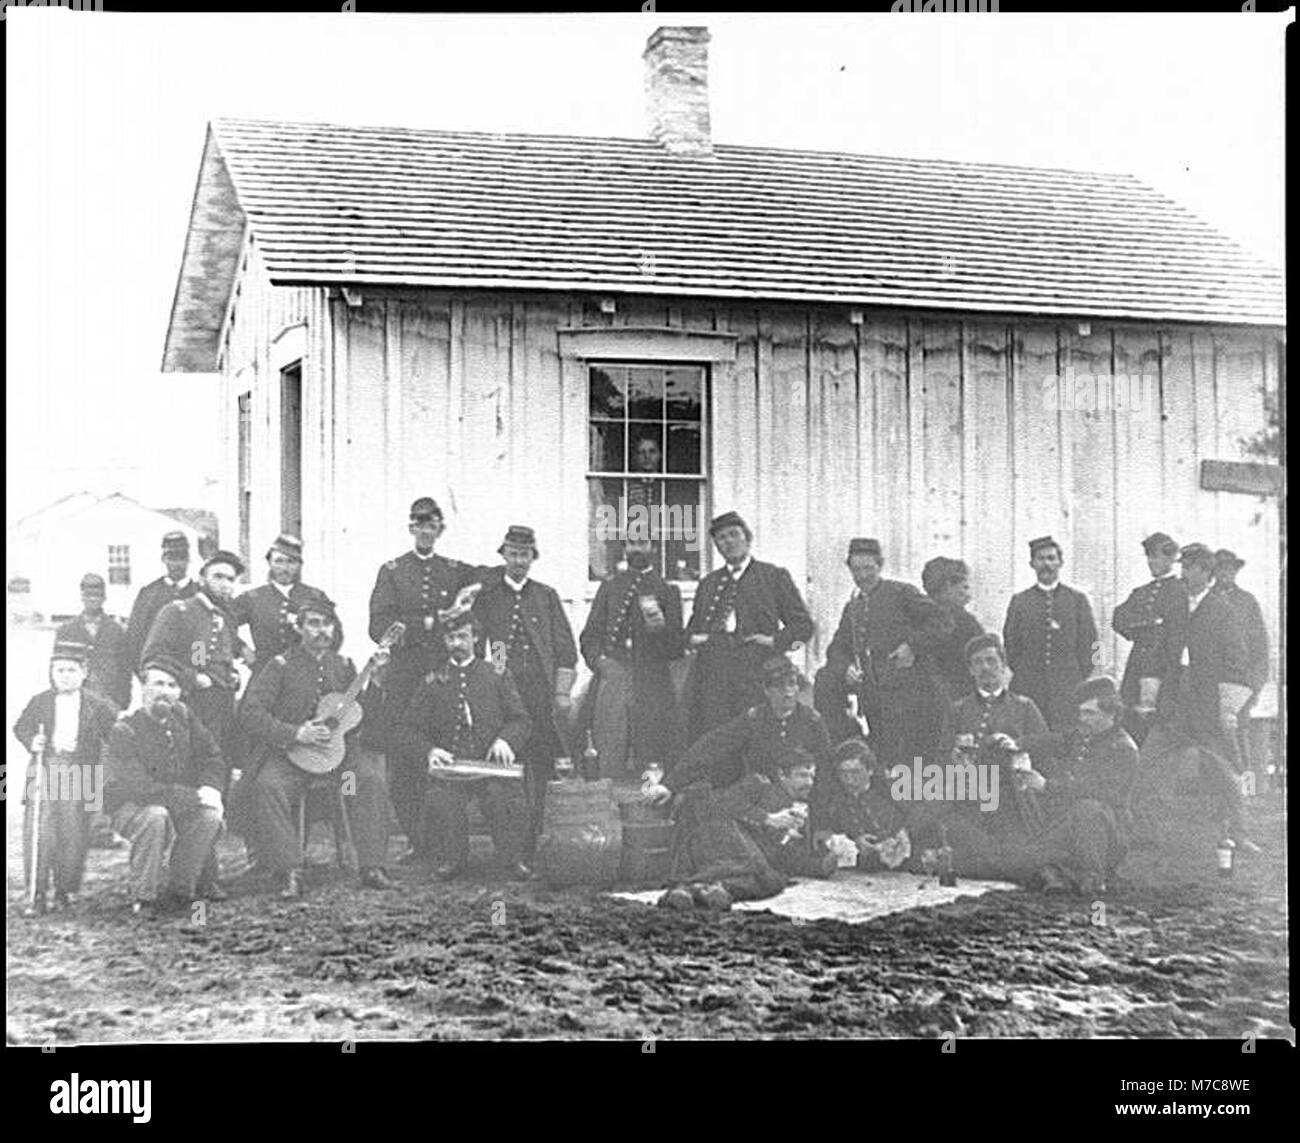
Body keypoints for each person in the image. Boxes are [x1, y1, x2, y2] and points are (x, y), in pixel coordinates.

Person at [238, 596, 397, 898]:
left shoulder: (345, 665)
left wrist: (375, 683)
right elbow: (250, 713)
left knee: (368, 779)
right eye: (313, 623)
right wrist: (295, 732)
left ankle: (372, 866)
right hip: (290, 757)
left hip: (338, 763)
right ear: (298, 628)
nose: (322, 630)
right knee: (267, 786)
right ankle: (289, 871)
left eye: (327, 624)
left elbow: (360, 716)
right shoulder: (279, 666)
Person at [368, 497, 483, 862]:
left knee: (442, 754)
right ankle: (418, 841)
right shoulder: (392, 571)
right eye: (418, 525)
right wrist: (434, 620)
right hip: (404, 678)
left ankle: (446, 843)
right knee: (405, 761)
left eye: (431, 525)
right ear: (410, 528)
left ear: (440, 529)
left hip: (443, 677)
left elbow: (488, 577)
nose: (425, 531)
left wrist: (469, 595)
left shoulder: (453, 569)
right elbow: (378, 626)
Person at [394, 614, 533, 881]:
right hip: (452, 767)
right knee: (441, 798)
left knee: (502, 796)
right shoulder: (432, 681)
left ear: (476, 638)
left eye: (463, 637)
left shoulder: (496, 674)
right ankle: (451, 860)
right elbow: (407, 728)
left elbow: (521, 720)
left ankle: (511, 859)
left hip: (491, 765)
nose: (456, 643)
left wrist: (505, 740)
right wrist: (429, 750)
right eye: (451, 638)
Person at [471, 525, 578, 862]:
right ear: (503, 556)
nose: (519, 561)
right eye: (513, 554)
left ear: (534, 557)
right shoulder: (489, 597)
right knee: (508, 770)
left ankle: (539, 842)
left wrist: (561, 693)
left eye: (525, 554)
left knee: (543, 768)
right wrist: (495, 679)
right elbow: (483, 644)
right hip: (506, 692)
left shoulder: (546, 596)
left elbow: (565, 649)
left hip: (541, 692)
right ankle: (512, 847)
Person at [102, 656, 228, 916]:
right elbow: (137, 786)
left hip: (176, 800)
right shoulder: (125, 729)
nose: (166, 692)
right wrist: (194, 795)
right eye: (159, 684)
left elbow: (212, 756)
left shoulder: (184, 718)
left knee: (209, 817)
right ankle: (144, 896)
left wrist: (211, 788)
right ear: (143, 688)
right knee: (155, 817)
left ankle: (182, 890)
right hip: (130, 806)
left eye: (173, 686)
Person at [814, 538, 952, 765]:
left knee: (913, 760)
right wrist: (845, 668)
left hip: (912, 696)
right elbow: (837, 649)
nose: (862, 576)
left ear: (880, 566)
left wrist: (912, 646)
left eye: (868, 568)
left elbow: (942, 620)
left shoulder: (901, 593)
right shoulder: (853, 607)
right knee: (884, 757)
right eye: (856, 569)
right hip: (875, 697)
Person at [683, 511, 813, 745]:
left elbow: (804, 628)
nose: (729, 542)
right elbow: (691, 631)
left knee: (756, 735)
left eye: (734, 534)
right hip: (715, 668)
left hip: (758, 668)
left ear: (747, 539)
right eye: (721, 538)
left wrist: (775, 643)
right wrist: (696, 640)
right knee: (715, 734)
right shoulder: (709, 584)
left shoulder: (773, 576)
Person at [928, 633, 1051, 876]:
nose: (985, 667)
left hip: (1012, 799)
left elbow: (1046, 750)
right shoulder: (958, 709)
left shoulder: (1024, 707)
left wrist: (1017, 745)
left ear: (1003, 666)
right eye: (977, 662)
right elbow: (941, 756)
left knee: (1014, 847)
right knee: (962, 836)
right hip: (969, 798)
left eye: (991, 661)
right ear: (970, 670)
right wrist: (954, 757)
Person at [657, 747, 837, 911]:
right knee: (757, 869)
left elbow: (791, 861)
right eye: (802, 775)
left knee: (773, 880)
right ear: (782, 775)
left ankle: (703, 891)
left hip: (749, 860)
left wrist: (822, 865)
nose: (809, 782)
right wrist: (768, 819)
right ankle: (692, 887)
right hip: (717, 841)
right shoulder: (759, 785)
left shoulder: (802, 811)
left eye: (812, 776)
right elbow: (722, 805)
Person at [13, 640, 120, 915]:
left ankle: (64, 891)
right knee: (40, 830)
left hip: (82, 770)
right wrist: (32, 741)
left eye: (71, 670)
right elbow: (21, 727)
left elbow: (118, 734)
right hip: (46, 767)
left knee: (73, 833)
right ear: (51, 672)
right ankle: (36, 893)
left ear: (84, 672)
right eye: (59, 670)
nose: (65, 676)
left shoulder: (98, 705)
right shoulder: (41, 701)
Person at [1164, 543, 1256, 847]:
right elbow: (1163, 650)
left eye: (1189, 568)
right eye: (1183, 567)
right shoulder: (1176, 606)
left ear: (1205, 572)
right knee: (1151, 758)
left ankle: (1240, 834)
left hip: (1208, 701)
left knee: (1225, 767)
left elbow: (1237, 659)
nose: (1183, 573)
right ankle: (1144, 832)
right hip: (1176, 698)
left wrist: (1228, 706)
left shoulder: (1223, 610)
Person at [578, 534, 685, 782]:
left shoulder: (668, 590)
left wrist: (661, 629)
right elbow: (589, 636)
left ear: (654, 547)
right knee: (603, 747)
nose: (636, 548)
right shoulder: (610, 587)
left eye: (642, 543)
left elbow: (676, 648)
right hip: (612, 677)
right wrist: (601, 663)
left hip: (651, 682)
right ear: (625, 548)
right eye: (631, 543)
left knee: (651, 751)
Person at [1021, 676, 1139, 895]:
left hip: (1106, 833)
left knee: (1088, 808)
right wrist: (1016, 743)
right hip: (1073, 822)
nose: (1082, 719)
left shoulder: (1123, 749)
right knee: (1024, 857)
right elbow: (1053, 741)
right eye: (1082, 712)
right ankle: (1061, 877)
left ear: (1110, 714)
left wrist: (1047, 786)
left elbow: (1096, 789)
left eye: (1090, 713)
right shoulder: (1084, 736)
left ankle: (1092, 877)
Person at [662, 656, 831, 797]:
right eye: (779, 686)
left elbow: (826, 768)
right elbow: (710, 747)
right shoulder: (754, 719)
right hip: (761, 800)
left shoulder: (812, 721)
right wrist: (669, 785)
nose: (788, 692)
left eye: (792, 684)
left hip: (804, 801)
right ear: (767, 690)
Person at [1003, 536, 1099, 730]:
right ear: (1032, 564)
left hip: (1068, 686)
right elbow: (1010, 644)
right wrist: (1025, 672)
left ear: (1060, 563)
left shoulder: (1077, 600)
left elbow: (1093, 643)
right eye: (1040, 559)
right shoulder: (1020, 601)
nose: (1046, 564)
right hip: (1029, 684)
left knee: (1065, 737)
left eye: (1051, 558)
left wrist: (1078, 677)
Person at [1112, 533, 1188, 745]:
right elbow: (1119, 619)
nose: (1151, 562)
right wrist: (1151, 624)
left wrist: (1150, 626)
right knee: (1131, 721)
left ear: (1171, 559)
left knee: (1156, 724)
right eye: (1149, 557)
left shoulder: (1180, 591)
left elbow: (1176, 633)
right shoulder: (1142, 592)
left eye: (1156, 557)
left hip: (1164, 668)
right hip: (1137, 666)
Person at [228, 534, 333, 672]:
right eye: (279, 561)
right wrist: (242, 649)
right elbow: (221, 623)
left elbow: (333, 635)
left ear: (299, 564)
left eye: (291, 562)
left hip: (306, 674)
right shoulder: (253, 598)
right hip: (265, 674)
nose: (284, 568)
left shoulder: (315, 596)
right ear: (269, 563)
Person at [811, 739, 911, 872]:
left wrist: (905, 834)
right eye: (843, 773)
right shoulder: (830, 801)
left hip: (903, 868)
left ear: (870, 770)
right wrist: (854, 842)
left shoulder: (892, 792)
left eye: (855, 772)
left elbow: (917, 819)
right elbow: (821, 835)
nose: (849, 779)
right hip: (855, 872)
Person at [1211, 549, 1270, 770]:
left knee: (1240, 738)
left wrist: (1253, 688)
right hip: (1211, 682)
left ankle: (1249, 789)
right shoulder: (1206, 599)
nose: (1225, 573)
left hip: (1239, 686)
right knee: (1213, 740)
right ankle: (1221, 789)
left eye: (1229, 568)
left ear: (1235, 571)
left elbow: (1260, 649)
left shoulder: (1247, 602)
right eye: (1220, 568)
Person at [124, 531, 199, 672]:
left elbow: (201, 635)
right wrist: (142, 670)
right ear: (163, 559)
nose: (177, 564)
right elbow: (135, 636)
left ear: (188, 559)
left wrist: (197, 668)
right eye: (171, 558)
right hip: (156, 671)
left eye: (181, 557)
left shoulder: (199, 594)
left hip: (190, 672)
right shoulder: (148, 594)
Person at [56, 573, 131, 711]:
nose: (92, 599)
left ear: (104, 598)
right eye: (88, 595)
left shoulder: (116, 630)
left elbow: (125, 669)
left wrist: (122, 701)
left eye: (97, 596)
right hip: (76, 700)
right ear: (82, 597)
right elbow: (56, 668)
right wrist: (60, 698)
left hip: (108, 699)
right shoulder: (66, 630)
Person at [920, 556, 985, 707]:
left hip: (921, 704)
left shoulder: (917, 616)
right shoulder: (965, 622)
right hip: (959, 700)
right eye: (965, 587)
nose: (969, 596)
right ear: (949, 586)